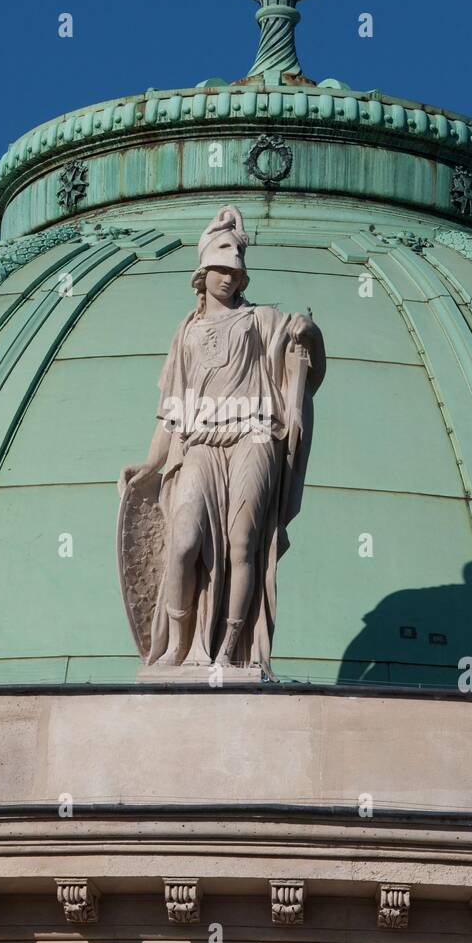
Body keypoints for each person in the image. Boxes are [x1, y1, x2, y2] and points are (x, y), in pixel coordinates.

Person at [118, 206, 325, 674]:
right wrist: (150, 465)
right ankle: (176, 645)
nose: (230, 280)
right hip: (201, 443)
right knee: (184, 540)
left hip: (254, 437)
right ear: (202, 274)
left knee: (243, 543)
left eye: (236, 272)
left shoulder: (262, 320)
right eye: (221, 271)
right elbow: (171, 410)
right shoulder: (187, 331)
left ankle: (233, 646)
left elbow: (307, 366)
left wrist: (309, 335)